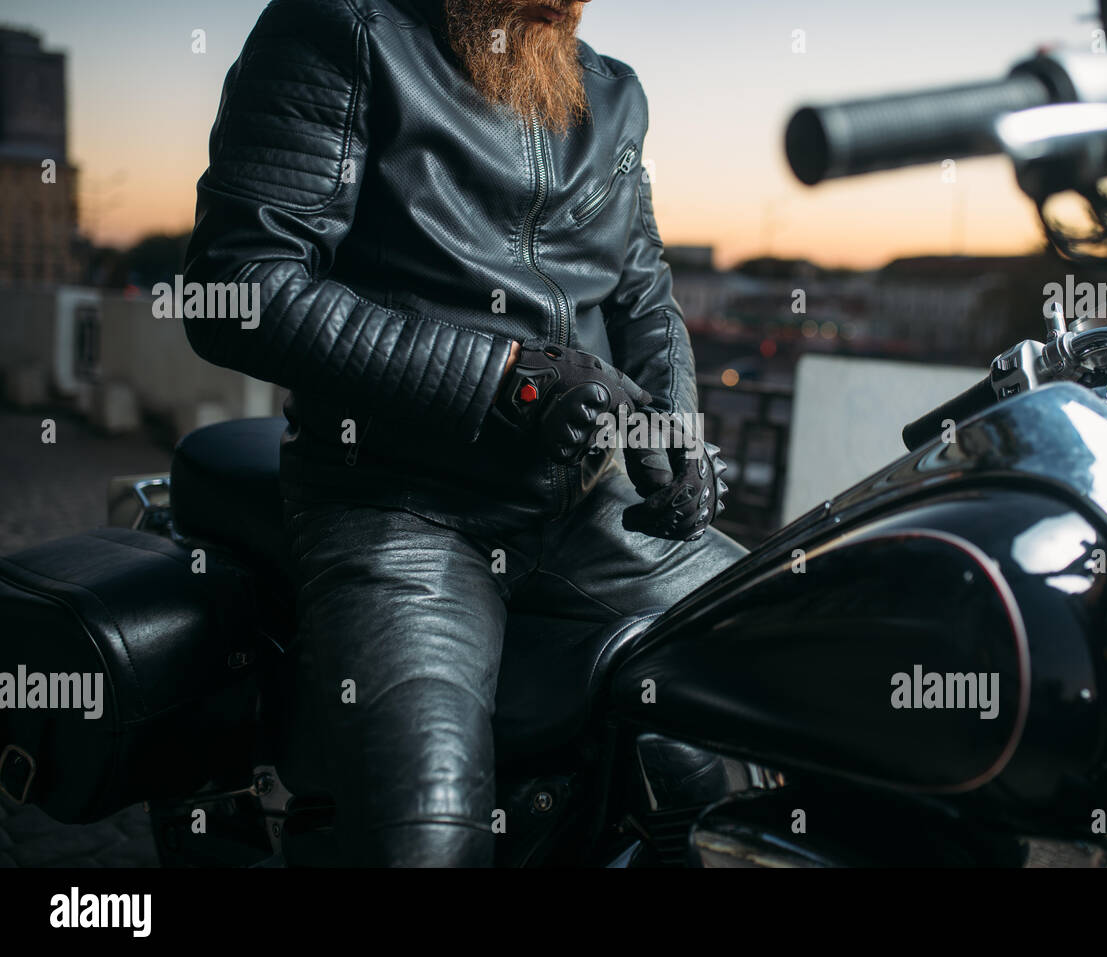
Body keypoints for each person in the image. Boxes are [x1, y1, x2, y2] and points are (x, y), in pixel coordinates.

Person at [182, 0, 744, 865]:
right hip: (400, 506)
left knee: (805, 660)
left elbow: (643, 293)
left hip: (592, 504)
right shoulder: (342, 30)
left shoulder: (614, 93)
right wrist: (506, 379)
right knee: (428, 838)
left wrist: (675, 421)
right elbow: (239, 286)